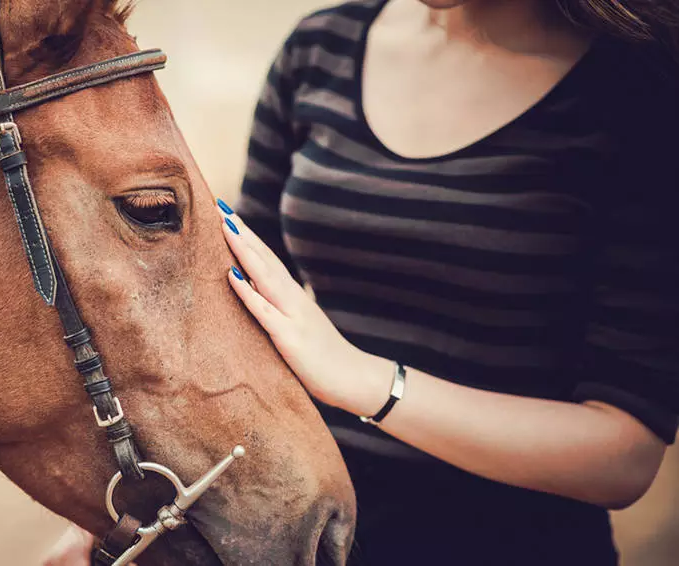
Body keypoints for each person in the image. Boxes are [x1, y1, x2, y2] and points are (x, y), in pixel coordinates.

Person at [219, 0, 679, 564]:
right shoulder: (320, 47)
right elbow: (232, 299)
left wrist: (370, 382)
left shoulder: (639, 90)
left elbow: (624, 457)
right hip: (308, 536)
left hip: (512, 546)